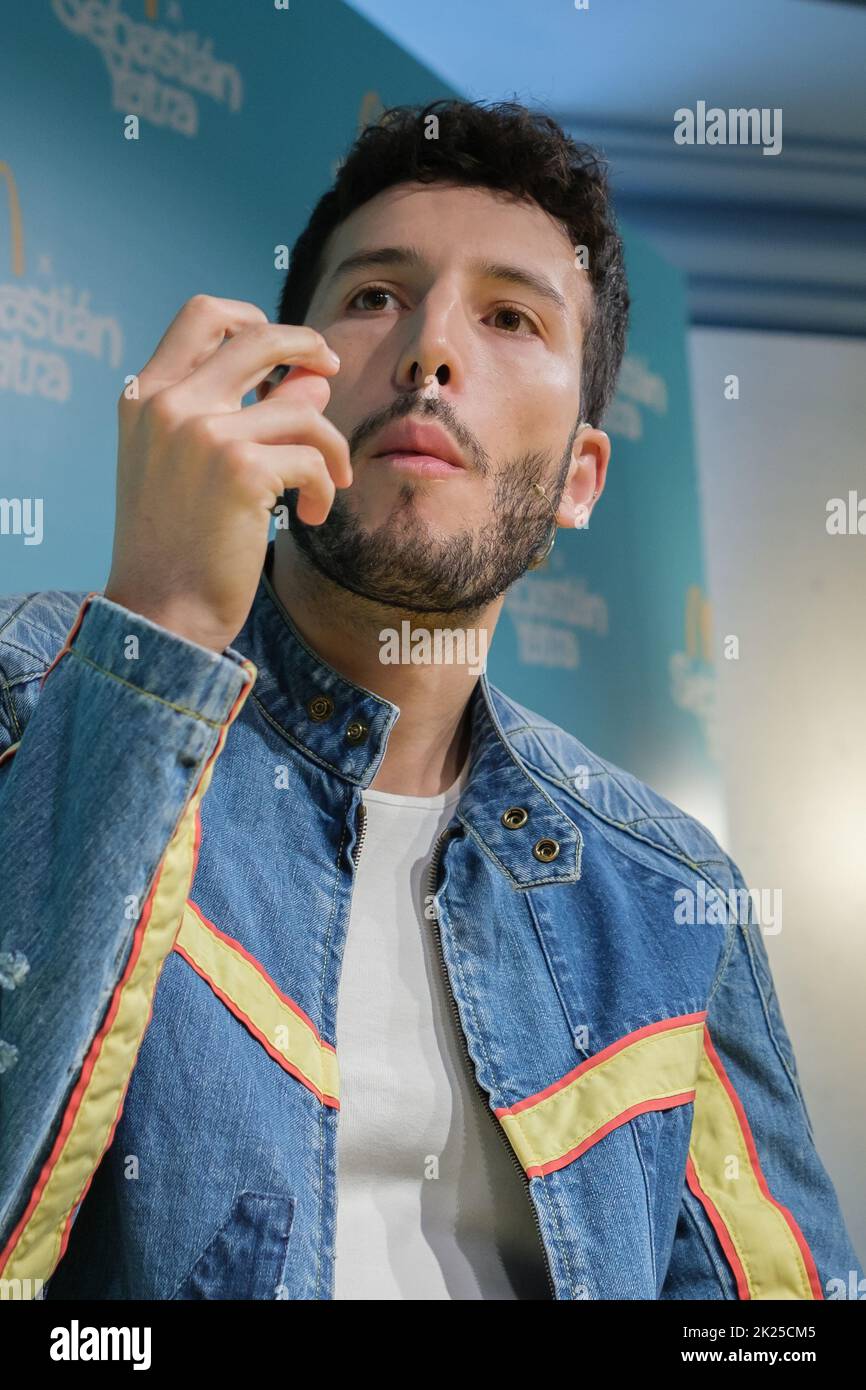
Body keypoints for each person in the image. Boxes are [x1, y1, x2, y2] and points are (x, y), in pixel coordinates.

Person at [0, 100, 860, 1301]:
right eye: (371, 297)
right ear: (282, 385)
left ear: (579, 478)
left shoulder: (669, 890)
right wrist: (158, 636)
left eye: (509, 316)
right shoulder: (33, 689)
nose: (427, 350)